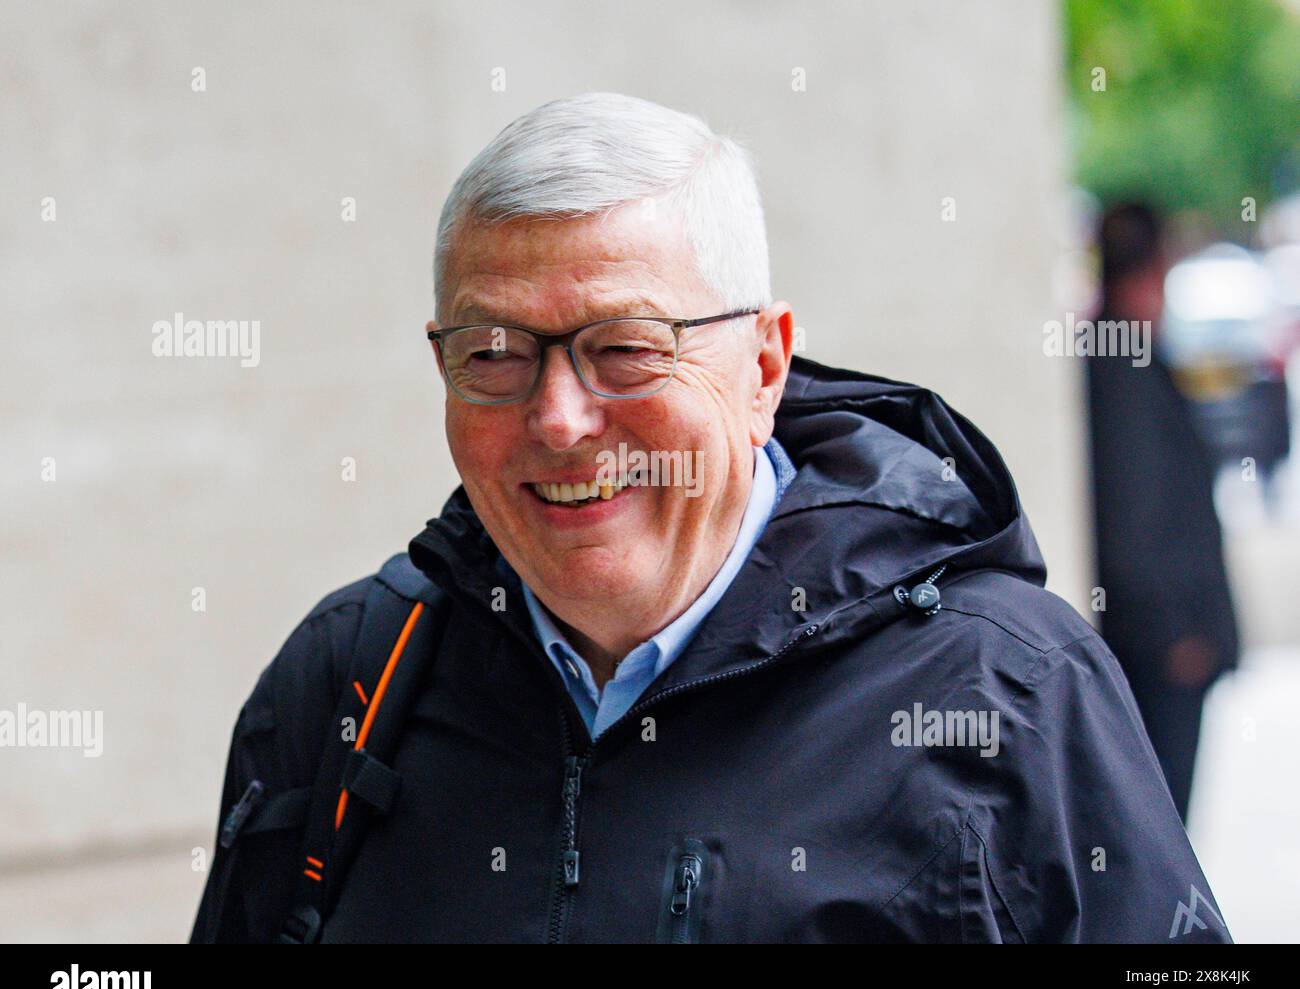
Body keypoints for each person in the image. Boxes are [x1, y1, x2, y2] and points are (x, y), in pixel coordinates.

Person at [190, 94, 1230, 943]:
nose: (557, 417)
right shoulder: (349, 679)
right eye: (494, 354)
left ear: (764, 368)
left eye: (626, 347)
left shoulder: (1009, 693)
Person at [1085, 202, 1241, 823]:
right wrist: (1173, 632)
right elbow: (1134, 515)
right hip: (1161, 650)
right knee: (1160, 830)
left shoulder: (1122, 356)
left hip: (1160, 643)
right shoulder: (1123, 366)